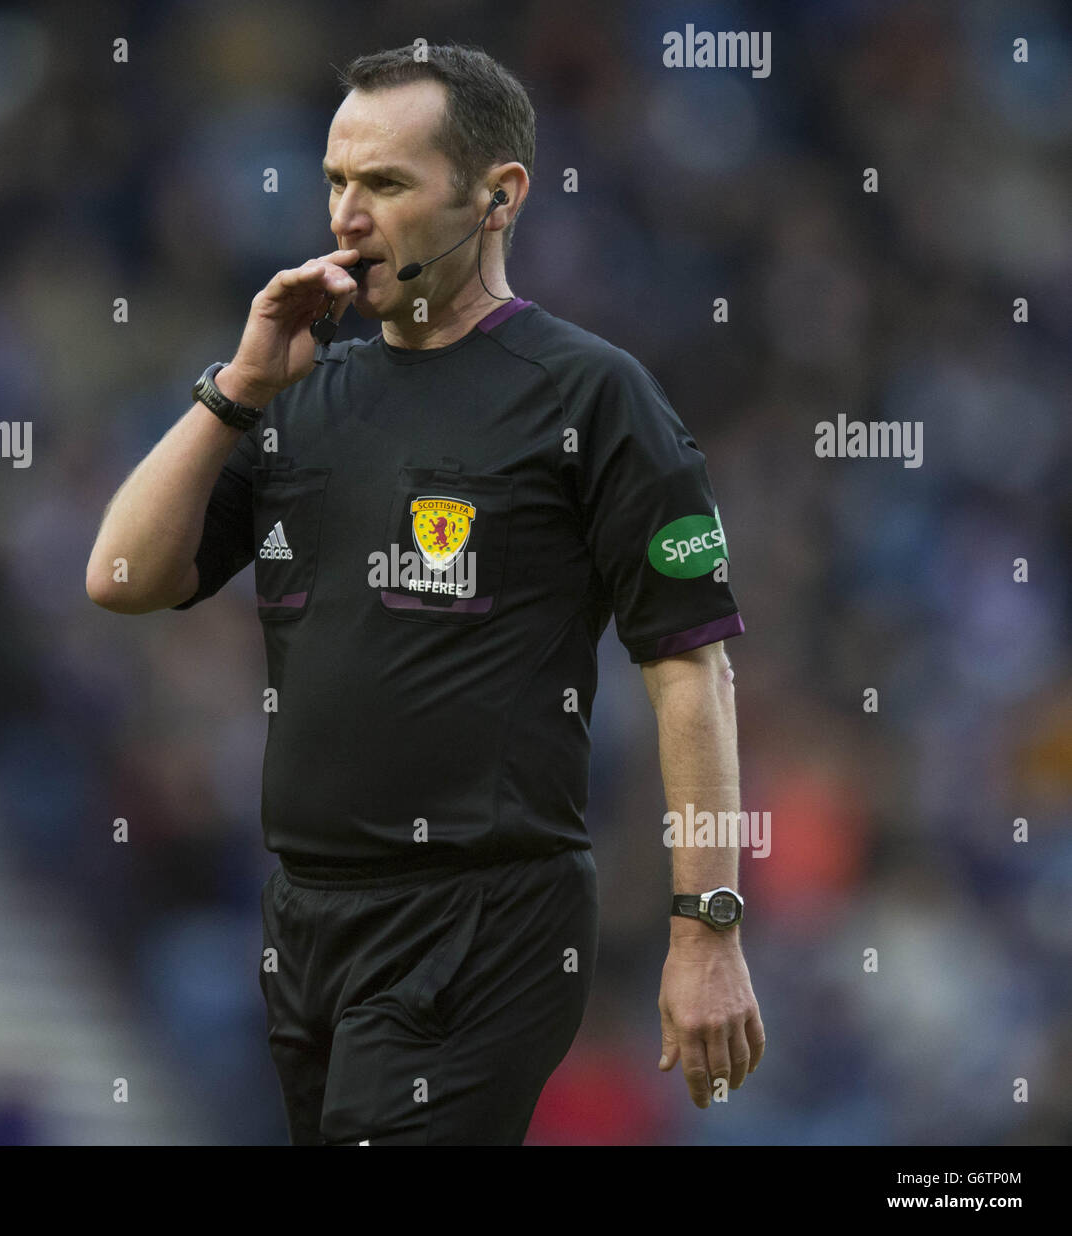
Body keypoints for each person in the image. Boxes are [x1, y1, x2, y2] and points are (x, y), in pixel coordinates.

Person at [86, 43, 765, 1145]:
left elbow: (693, 673)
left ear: (496, 198)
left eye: (387, 185)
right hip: (304, 914)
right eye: (337, 182)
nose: (349, 216)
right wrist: (237, 389)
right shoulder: (303, 390)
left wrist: (707, 931)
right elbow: (119, 578)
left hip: (483, 918)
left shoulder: (591, 394)